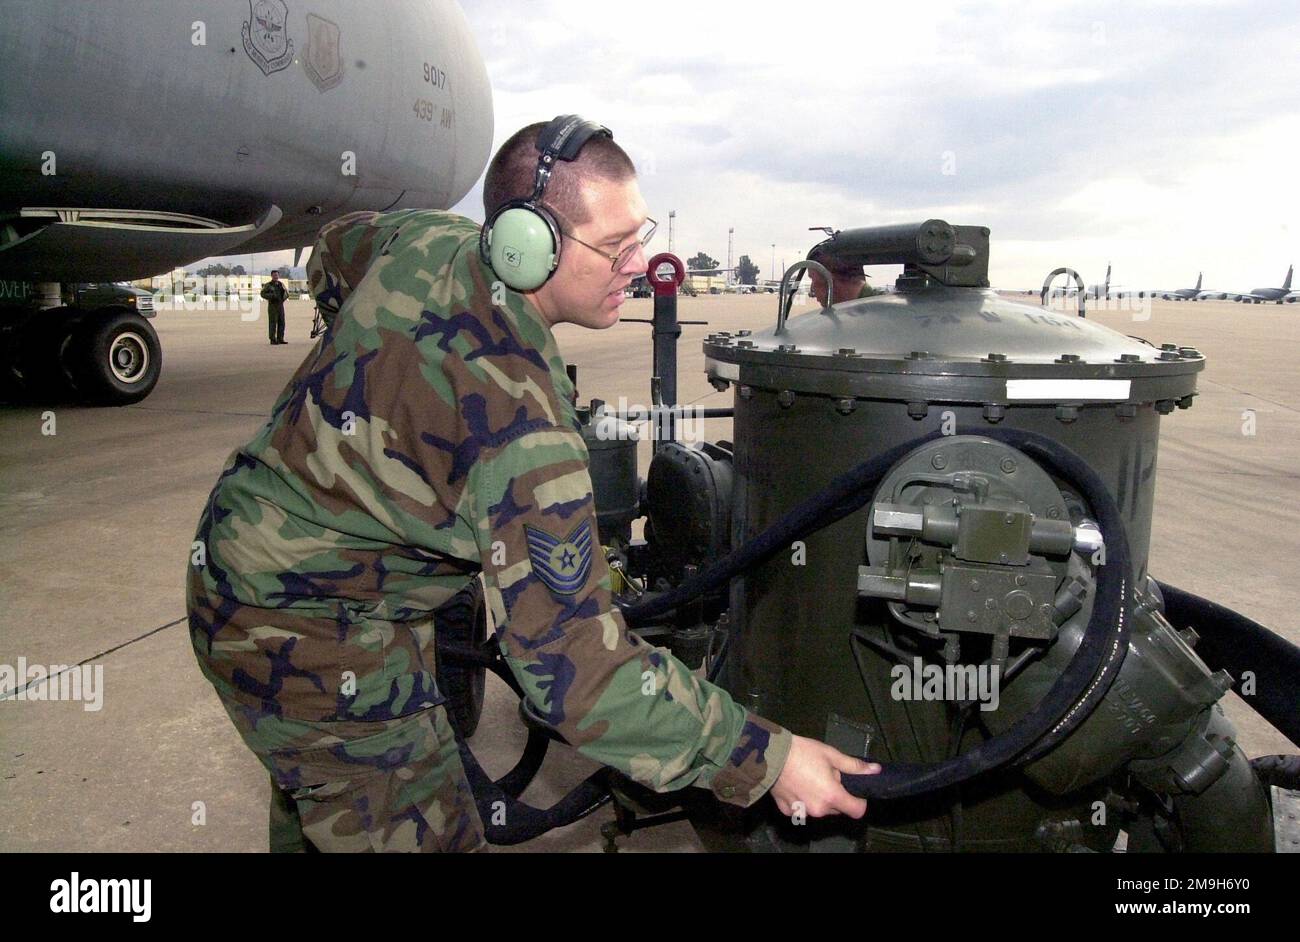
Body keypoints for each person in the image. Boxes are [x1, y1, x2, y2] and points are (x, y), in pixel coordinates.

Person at [187, 115, 879, 853]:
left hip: (240, 557)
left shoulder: (427, 238)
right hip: (315, 631)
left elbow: (335, 248)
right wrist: (768, 760)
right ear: (527, 245)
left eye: (639, 237)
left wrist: (357, 364)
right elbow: (575, 671)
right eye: (614, 247)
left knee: (315, 798)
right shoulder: (519, 424)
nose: (638, 265)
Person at [807, 245, 875, 305]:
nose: (812, 289)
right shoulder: (870, 308)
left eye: (814, 280)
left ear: (830, 279)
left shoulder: (877, 313)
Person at [260, 269, 289, 344]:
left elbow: (286, 292)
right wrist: (271, 296)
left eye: (277, 275)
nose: (276, 276)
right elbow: (262, 294)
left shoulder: (281, 284)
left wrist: (284, 298)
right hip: (272, 306)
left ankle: (280, 338)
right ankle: (272, 339)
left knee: (281, 322)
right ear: (272, 276)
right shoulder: (268, 285)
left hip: (280, 305)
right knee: (273, 323)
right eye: (274, 275)